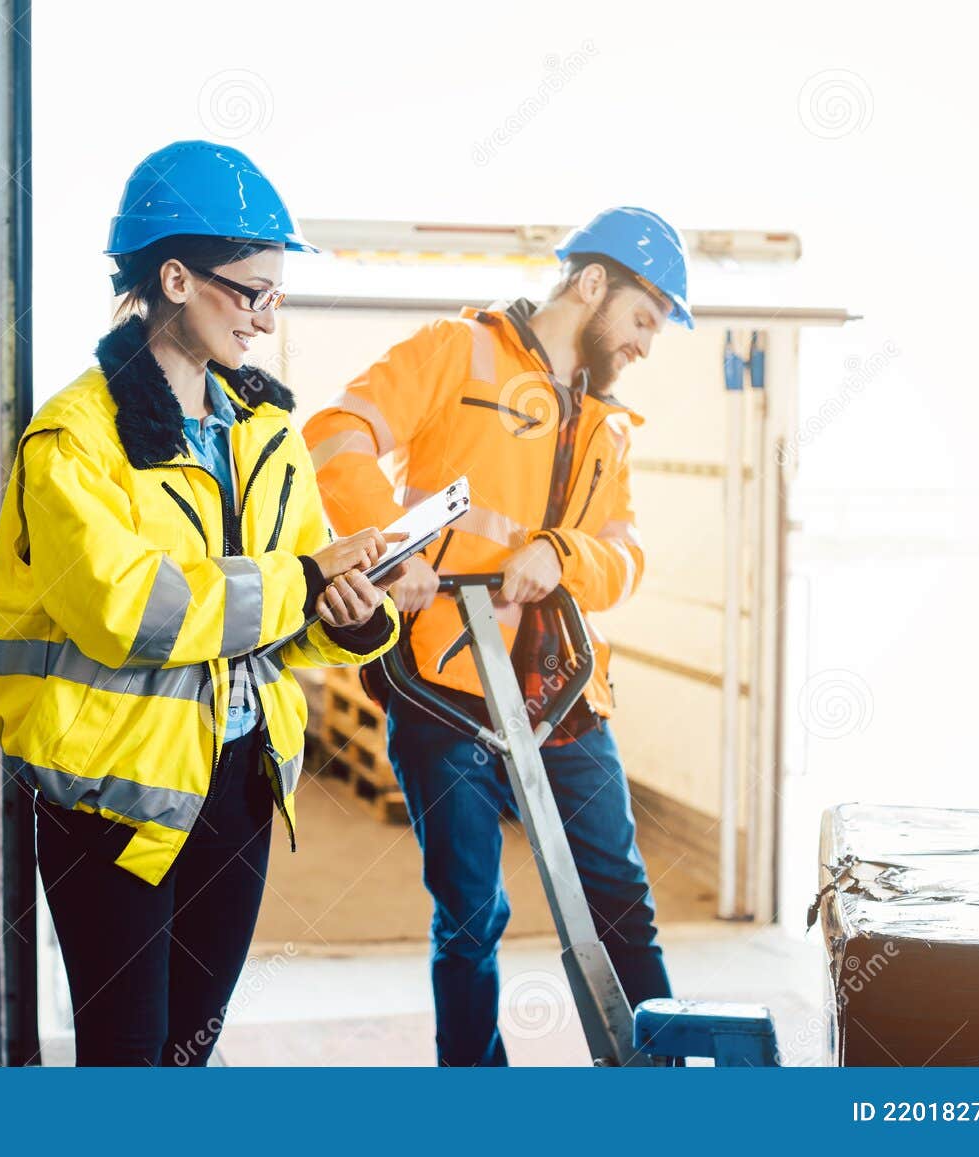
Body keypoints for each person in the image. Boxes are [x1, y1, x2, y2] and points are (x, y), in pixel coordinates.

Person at [0, 140, 401, 1066]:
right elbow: (131, 612)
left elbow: (279, 621)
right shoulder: (72, 441)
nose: (265, 316)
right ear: (175, 276)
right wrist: (302, 579)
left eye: (273, 293)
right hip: (116, 800)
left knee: (187, 1053)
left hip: (241, 781)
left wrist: (352, 616)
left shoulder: (264, 431)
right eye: (250, 290)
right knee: (126, 1057)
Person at [303, 207, 689, 1066]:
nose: (645, 345)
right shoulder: (456, 350)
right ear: (592, 285)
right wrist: (390, 547)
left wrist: (560, 554)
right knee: (471, 917)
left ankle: (666, 1078)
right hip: (444, 685)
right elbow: (335, 435)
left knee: (620, 892)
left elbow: (624, 559)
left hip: (562, 690)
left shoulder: (608, 425)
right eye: (642, 319)